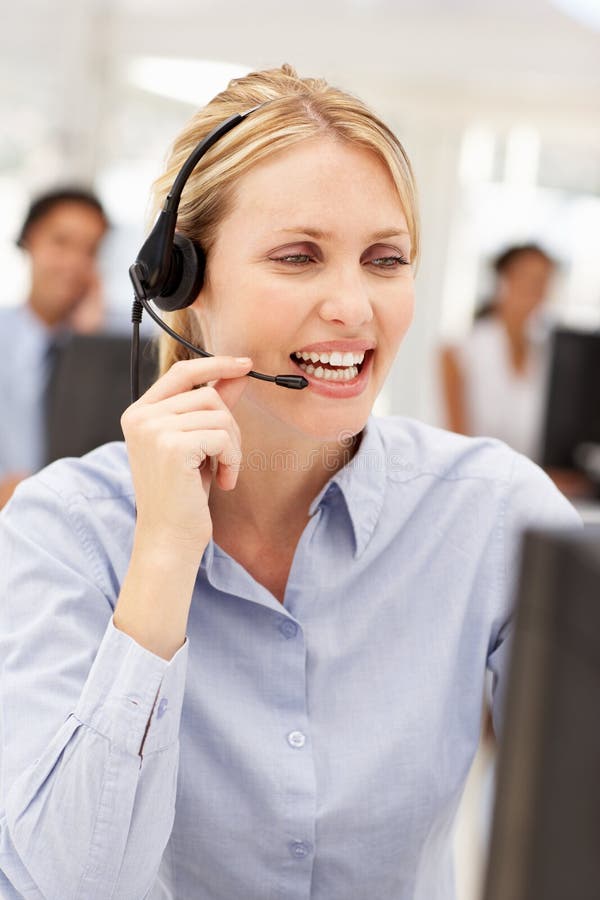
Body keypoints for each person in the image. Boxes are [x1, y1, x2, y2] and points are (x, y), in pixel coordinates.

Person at [0, 66, 580, 900]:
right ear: (179, 282)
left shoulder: (490, 513)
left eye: (386, 259)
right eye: (298, 257)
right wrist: (162, 559)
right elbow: (63, 884)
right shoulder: (67, 528)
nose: (353, 306)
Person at [0, 187, 109, 507]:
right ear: (28, 241)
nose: (75, 262)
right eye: (61, 242)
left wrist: (88, 346)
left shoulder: (110, 344)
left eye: (90, 250)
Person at [439, 243, 557, 462]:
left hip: (530, 478)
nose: (537, 290)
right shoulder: (458, 351)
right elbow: (457, 443)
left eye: (544, 281)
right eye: (529, 279)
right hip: (471, 480)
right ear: (502, 280)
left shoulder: (549, 355)